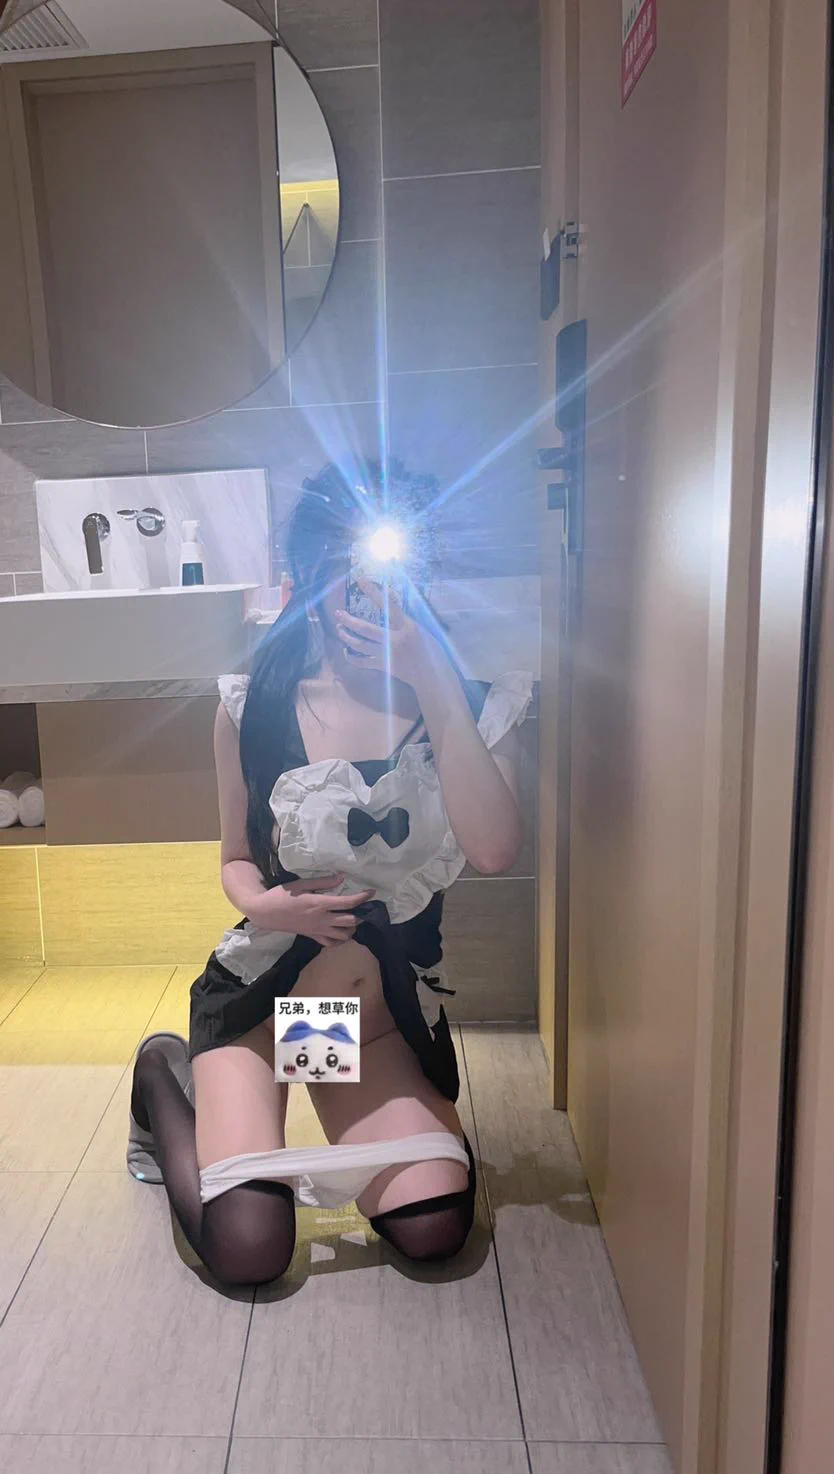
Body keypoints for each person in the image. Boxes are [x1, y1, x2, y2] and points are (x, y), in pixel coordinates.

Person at [128, 460, 532, 1288]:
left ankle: (304, 1096)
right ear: (308, 580)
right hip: (260, 1004)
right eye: (346, 575)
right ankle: (160, 1074)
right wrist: (269, 906)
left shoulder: (471, 703)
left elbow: (494, 851)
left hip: (348, 1025)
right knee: (248, 1245)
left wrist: (433, 679)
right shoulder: (253, 704)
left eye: (390, 574)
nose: (366, 598)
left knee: (432, 1227)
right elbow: (234, 862)